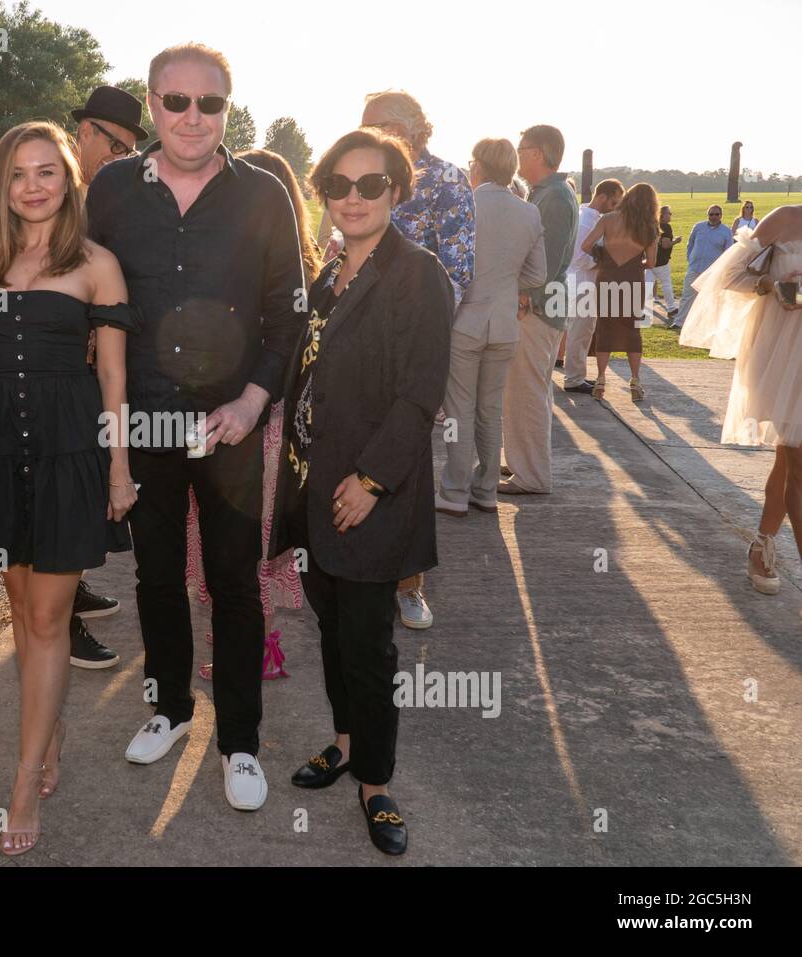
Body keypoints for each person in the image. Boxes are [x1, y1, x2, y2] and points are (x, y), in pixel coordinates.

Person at [86, 43, 303, 811]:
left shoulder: (265, 195)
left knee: (235, 582)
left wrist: (253, 401)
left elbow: (290, 314)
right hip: (145, 422)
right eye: (175, 102)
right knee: (153, 575)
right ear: (151, 106)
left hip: (231, 425)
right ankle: (170, 707)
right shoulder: (110, 190)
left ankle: (239, 740)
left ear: (227, 109)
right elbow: (86, 297)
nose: (191, 117)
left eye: (208, 103)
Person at [0, 121, 136, 856]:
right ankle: (46, 738)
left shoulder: (96, 265)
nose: (33, 185)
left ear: (67, 180)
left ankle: (23, 781)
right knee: (20, 606)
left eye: (47, 171)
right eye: (19, 173)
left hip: (69, 449)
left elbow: (113, 377)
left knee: (49, 619)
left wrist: (118, 467)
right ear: (2, 186)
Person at [273, 127, 452, 856]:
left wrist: (373, 480)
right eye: (338, 185)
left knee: (370, 646)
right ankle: (345, 742)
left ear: (396, 191)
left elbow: (420, 394)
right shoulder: (329, 271)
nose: (352, 197)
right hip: (315, 490)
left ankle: (376, 785)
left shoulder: (418, 273)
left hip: (370, 493)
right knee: (333, 627)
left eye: (369, 184)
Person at [190, 147, 314, 682]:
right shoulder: (305, 262)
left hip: (254, 417)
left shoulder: (257, 260)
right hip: (273, 417)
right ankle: (255, 645)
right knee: (252, 538)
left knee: (243, 539)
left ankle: (252, 650)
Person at [356, 89, 475, 631]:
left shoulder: (448, 181)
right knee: (354, 453)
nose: (367, 133)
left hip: (408, 347)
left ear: (410, 130)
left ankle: (408, 583)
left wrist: (402, 328)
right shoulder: (361, 174)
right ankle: (358, 570)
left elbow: (454, 270)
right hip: (353, 343)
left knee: (405, 461)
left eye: (377, 125)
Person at [52, 86, 149, 670]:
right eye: (113, 143)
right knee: (59, 493)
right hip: (52, 370)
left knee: (87, 482)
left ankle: (74, 585)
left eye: (131, 148)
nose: (121, 156)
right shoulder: (54, 188)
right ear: (84, 132)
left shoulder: (112, 194)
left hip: (94, 367)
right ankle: (57, 622)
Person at [680, 205, 802, 594]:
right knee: (798, 462)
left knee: (788, 461)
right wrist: (773, 285)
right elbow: (729, 276)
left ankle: (762, 545)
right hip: (787, 355)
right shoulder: (784, 219)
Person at [435, 139, 545, 517]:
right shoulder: (529, 213)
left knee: (458, 410)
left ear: (477, 166)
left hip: (464, 320)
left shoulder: (463, 204)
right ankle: (485, 489)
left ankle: (454, 488)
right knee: (490, 408)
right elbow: (538, 274)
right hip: (503, 325)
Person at [499, 125, 578, 497]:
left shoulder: (555, 198)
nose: (516, 154)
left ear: (537, 153)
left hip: (538, 306)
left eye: (521, 148)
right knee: (528, 389)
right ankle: (523, 462)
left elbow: (544, 262)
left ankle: (530, 474)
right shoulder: (549, 193)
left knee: (526, 390)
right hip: (544, 304)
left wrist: (524, 296)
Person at [580, 183, 660, 402]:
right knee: (632, 330)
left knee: (604, 328)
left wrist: (604, 256)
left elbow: (586, 245)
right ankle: (635, 379)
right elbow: (651, 262)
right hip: (633, 279)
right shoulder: (649, 226)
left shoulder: (608, 219)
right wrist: (636, 263)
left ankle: (600, 379)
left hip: (607, 276)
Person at [561, 179, 624, 395]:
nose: (615, 208)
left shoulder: (588, 216)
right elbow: (578, 257)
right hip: (581, 282)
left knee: (581, 331)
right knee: (581, 331)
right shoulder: (587, 222)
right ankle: (573, 378)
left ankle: (575, 374)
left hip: (583, 281)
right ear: (603, 197)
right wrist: (609, 260)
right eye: (614, 203)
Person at [72, 85, 147, 186]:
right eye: (116, 145)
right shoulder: (49, 186)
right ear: (86, 133)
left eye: (128, 153)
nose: (121, 159)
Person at [677, 204, 734, 325]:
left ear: (721, 215)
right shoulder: (698, 227)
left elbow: (728, 252)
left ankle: (706, 324)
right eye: (711, 214)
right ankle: (679, 322)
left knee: (710, 298)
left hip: (712, 271)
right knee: (687, 296)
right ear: (707, 215)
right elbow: (690, 244)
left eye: (716, 214)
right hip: (695, 267)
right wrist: (691, 259)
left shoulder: (726, 231)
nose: (713, 217)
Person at [646, 204, 681, 322]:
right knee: (666, 284)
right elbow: (665, 245)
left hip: (648, 260)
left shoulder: (651, 225)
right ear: (662, 215)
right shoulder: (665, 227)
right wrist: (676, 241)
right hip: (661, 261)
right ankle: (671, 308)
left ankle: (642, 310)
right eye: (669, 213)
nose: (670, 215)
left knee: (647, 285)